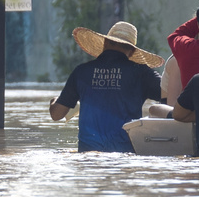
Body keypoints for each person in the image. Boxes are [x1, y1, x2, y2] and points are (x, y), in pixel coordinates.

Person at [49, 22, 164, 153]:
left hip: (88, 157)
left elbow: (56, 114)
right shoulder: (141, 73)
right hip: (126, 157)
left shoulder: (81, 72)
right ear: (132, 51)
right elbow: (170, 97)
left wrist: (54, 101)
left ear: (105, 43)